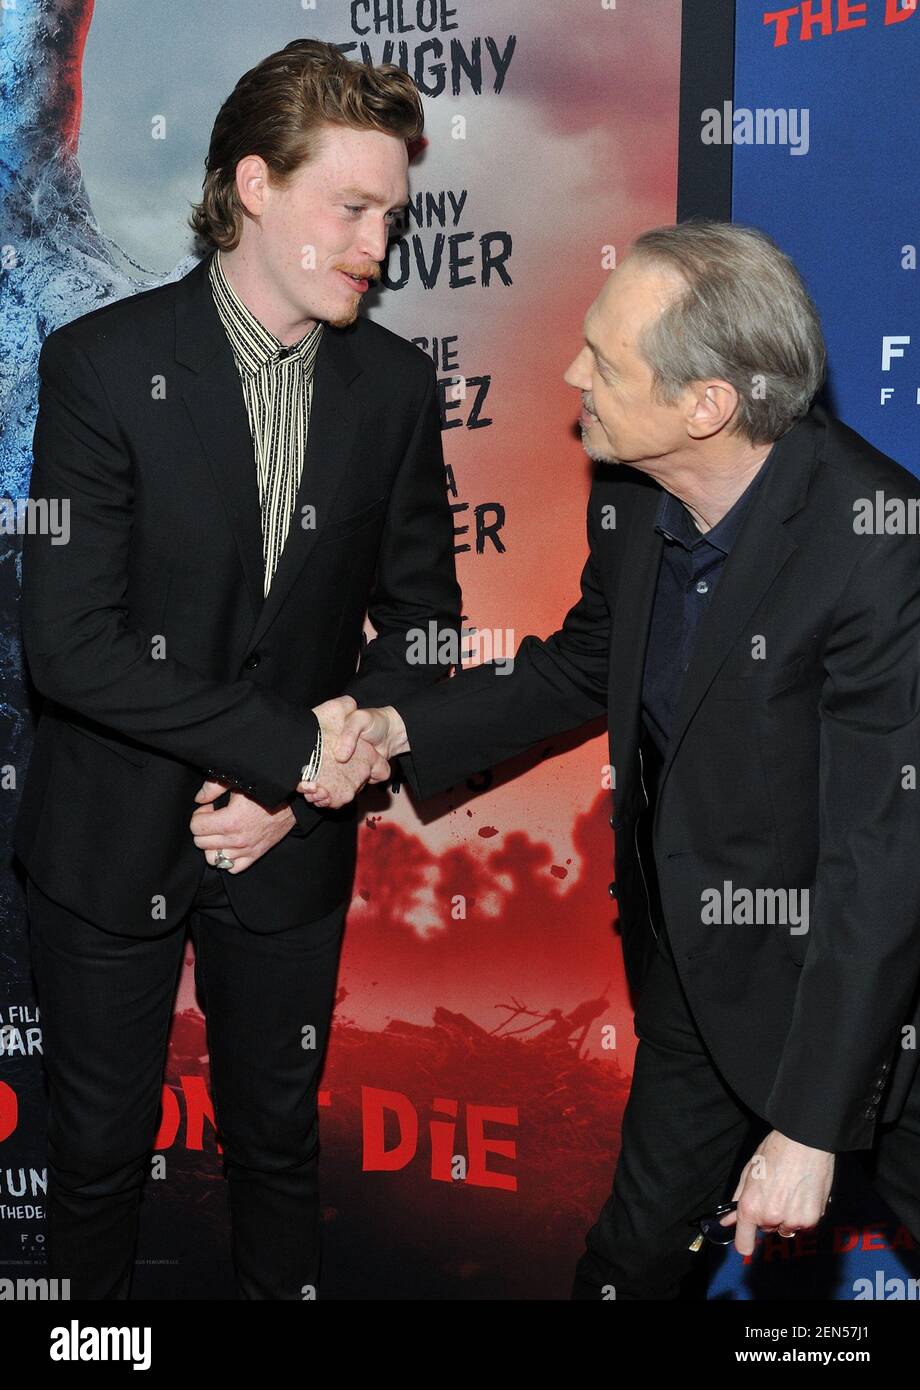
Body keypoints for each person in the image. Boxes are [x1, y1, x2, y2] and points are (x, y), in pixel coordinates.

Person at [304, 221, 920, 1299]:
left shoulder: (877, 548)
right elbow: (591, 661)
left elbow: (880, 861)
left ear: (705, 406)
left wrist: (812, 1126)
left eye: (603, 358)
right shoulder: (636, 494)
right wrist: (401, 730)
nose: (566, 372)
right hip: (704, 964)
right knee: (626, 1264)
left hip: (879, 1001)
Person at [15, 38, 461, 1299]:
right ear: (255, 186)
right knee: (96, 1161)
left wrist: (310, 786)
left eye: (393, 215)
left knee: (275, 1149)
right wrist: (282, 751)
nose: (381, 242)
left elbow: (423, 628)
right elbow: (70, 644)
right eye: (355, 208)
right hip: (108, 842)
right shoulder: (99, 367)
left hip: (295, 845)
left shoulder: (390, 388)